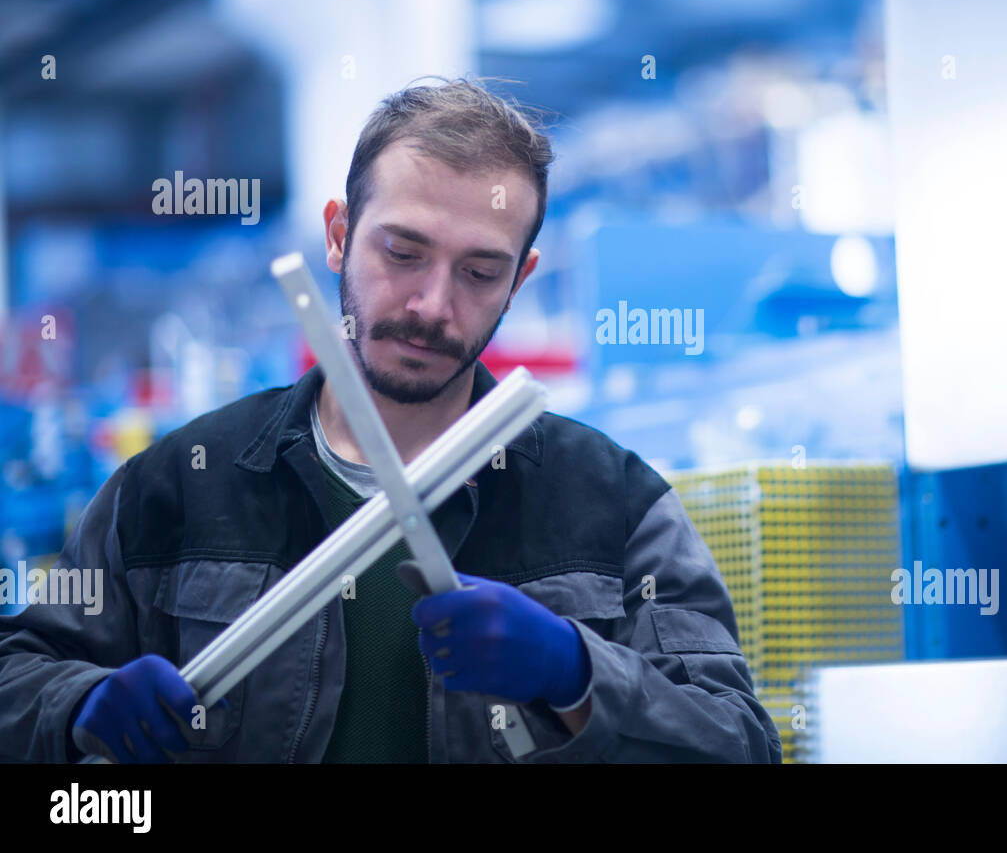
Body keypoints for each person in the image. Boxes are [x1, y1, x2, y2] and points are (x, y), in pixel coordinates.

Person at [0, 77, 782, 763]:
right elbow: (19, 672)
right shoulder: (178, 484)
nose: (432, 306)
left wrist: (575, 673)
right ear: (338, 236)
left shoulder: (614, 504)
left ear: (521, 280)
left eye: (480, 272)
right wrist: (77, 708)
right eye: (402, 253)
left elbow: (737, 743)